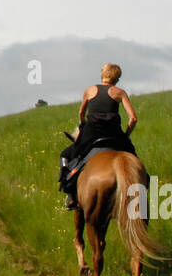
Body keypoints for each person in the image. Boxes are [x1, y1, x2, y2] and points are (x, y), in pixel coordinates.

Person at [58, 63, 138, 211]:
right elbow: (133, 118)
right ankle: (142, 192)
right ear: (117, 78)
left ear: (103, 75)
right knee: (135, 161)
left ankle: (70, 193)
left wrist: (82, 127)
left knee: (67, 155)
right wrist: (126, 135)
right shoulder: (120, 92)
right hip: (114, 135)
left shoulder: (90, 90)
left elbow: (82, 113)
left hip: (91, 134)